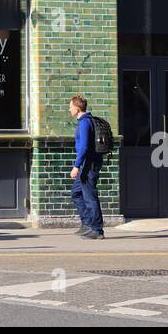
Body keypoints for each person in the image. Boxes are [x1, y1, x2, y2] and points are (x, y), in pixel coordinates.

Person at [69, 94, 104, 239]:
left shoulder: (84, 123)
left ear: (77, 108)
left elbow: (83, 147)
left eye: (70, 107)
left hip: (88, 165)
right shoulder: (85, 121)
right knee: (76, 193)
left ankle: (97, 230)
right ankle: (87, 223)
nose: (69, 109)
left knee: (89, 196)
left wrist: (76, 166)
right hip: (87, 164)